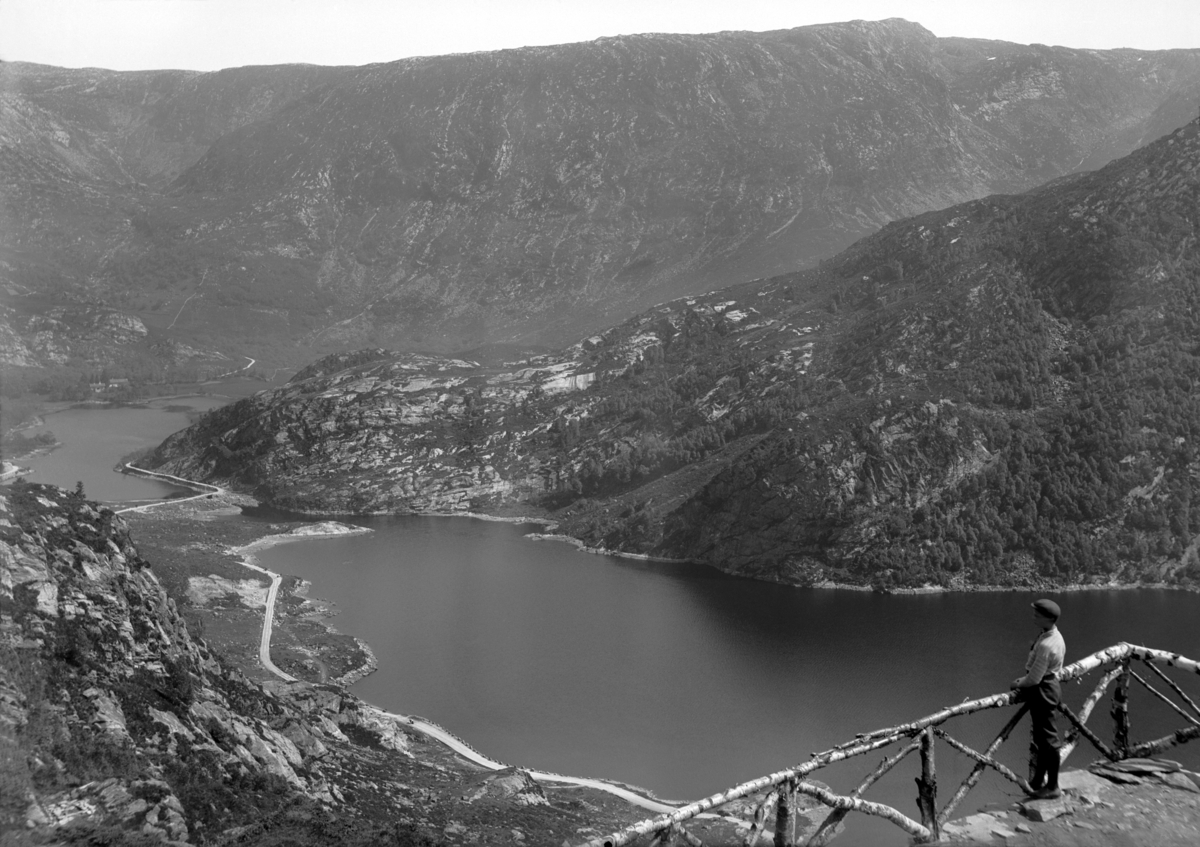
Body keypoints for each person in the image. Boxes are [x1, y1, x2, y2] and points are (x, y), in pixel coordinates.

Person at [1010, 599, 1066, 799]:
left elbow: (1034, 678)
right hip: (1049, 687)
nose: (1034, 617)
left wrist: (1018, 684)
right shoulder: (1053, 636)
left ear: (1049, 618)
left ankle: (1052, 787)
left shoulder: (1047, 645)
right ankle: (1038, 780)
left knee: (1049, 740)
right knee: (1042, 739)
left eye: (1038, 614)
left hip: (1043, 691)